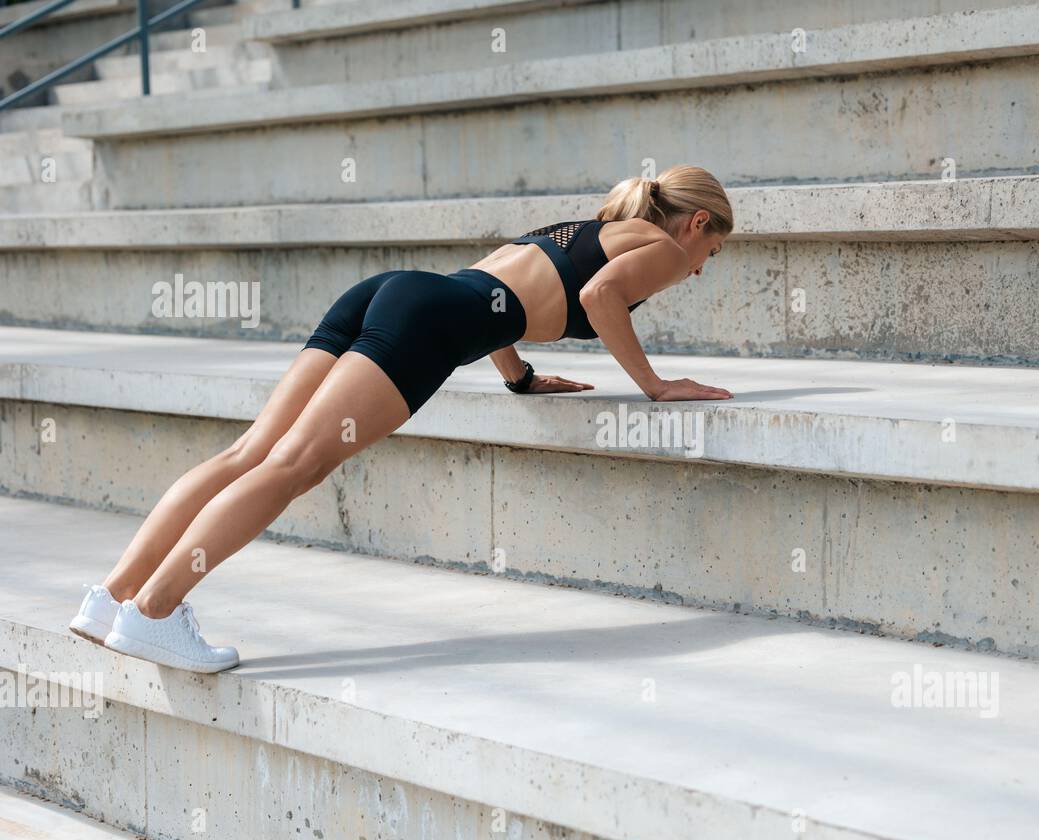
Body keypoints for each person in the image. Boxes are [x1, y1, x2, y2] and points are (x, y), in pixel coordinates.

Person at [67, 165, 735, 673]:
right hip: (427, 320)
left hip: (395, 291)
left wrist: (521, 377)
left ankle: (112, 597)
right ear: (698, 223)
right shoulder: (666, 249)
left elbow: (493, 293)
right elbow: (599, 294)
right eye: (715, 250)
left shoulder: (588, 230)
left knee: (248, 453)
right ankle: (154, 610)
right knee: (294, 465)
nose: (700, 270)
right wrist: (655, 385)